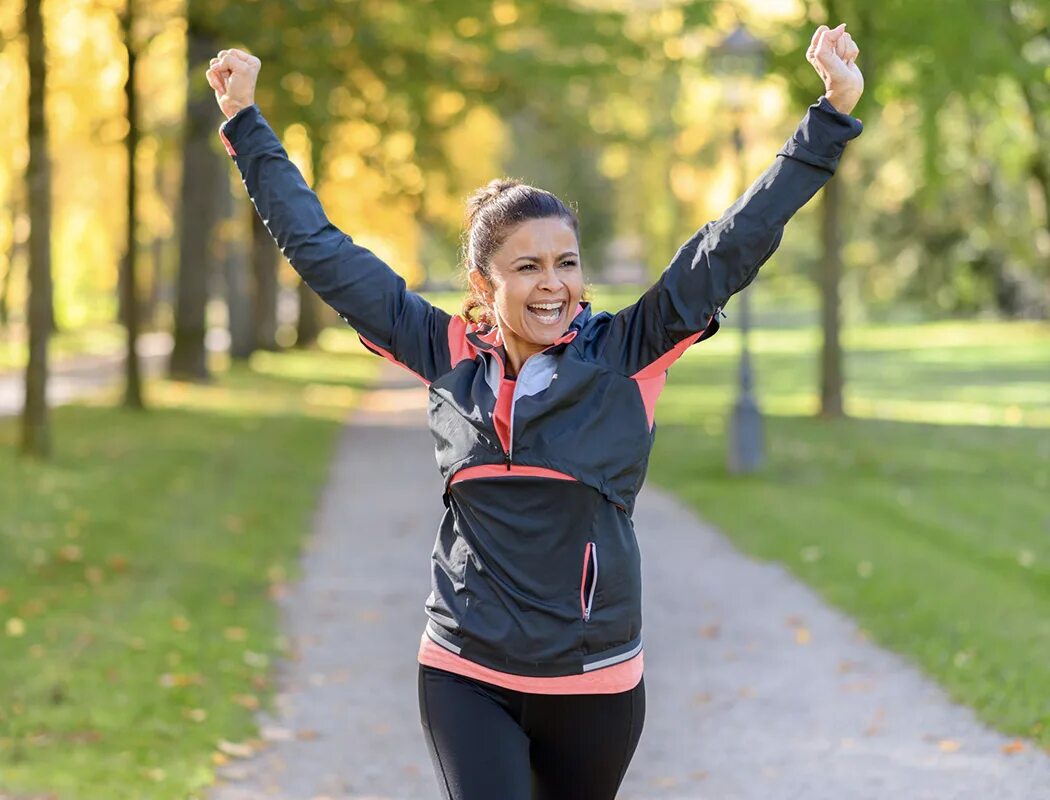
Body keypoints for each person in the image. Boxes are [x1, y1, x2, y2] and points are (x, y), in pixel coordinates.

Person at [207, 22, 863, 800]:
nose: (553, 284)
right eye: (528, 267)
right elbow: (320, 249)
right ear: (485, 287)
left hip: (595, 679)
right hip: (464, 668)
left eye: (566, 263)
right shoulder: (443, 348)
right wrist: (247, 123)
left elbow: (729, 245)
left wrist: (828, 119)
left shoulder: (629, 351)